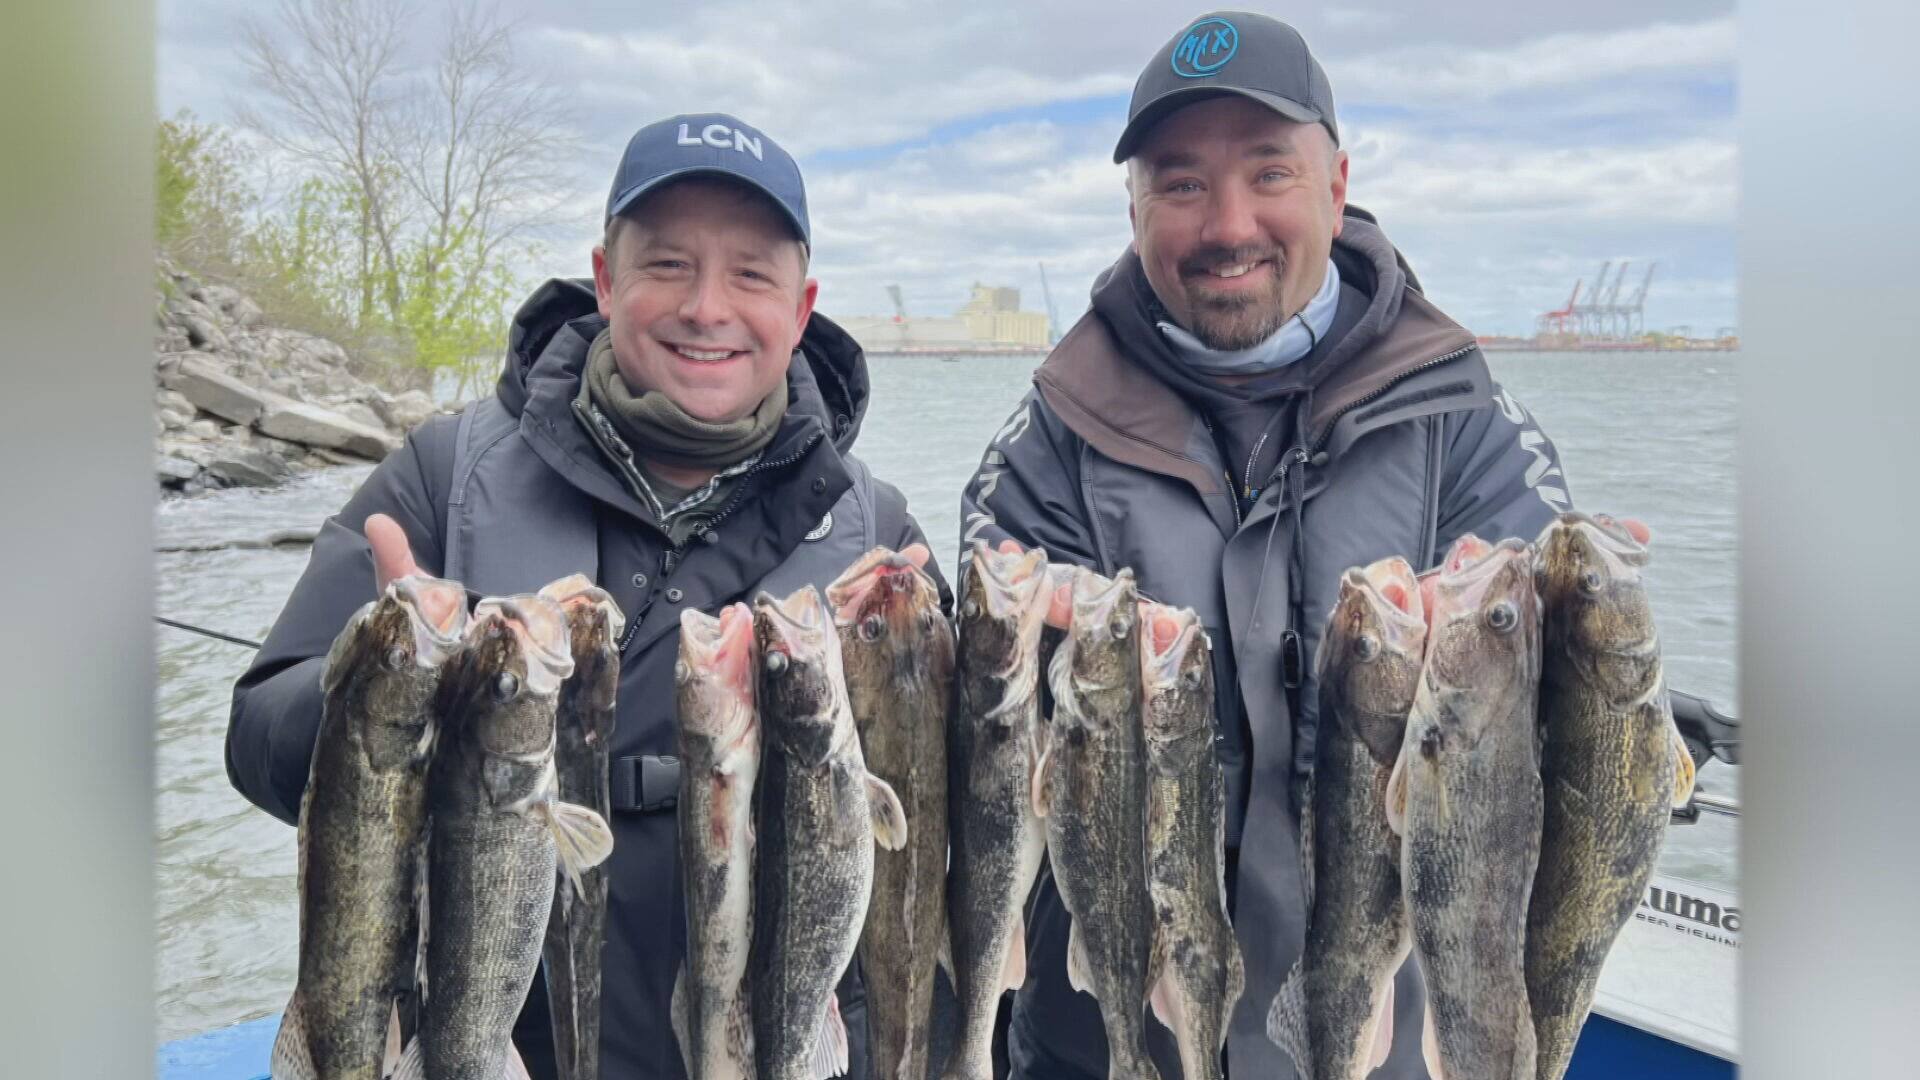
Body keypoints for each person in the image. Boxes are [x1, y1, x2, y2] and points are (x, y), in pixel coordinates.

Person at [227, 112, 940, 1080]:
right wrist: (393, 694)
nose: (707, 308)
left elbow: (961, 808)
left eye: (750, 275)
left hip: (778, 1047)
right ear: (605, 280)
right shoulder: (443, 477)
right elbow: (257, 739)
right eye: (668, 265)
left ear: (802, 307)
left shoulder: (877, 535)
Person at [960, 13, 1573, 1079]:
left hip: (1378, 1043)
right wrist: (1008, 643)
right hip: (1096, 1047)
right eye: (1183, 183)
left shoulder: (1462, 420)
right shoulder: (1047, 439)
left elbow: (1558, 670)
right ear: (1135, 208)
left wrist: (1576, 660)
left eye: (1269, 172)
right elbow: (974, 732)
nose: (1228, 223)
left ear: (1337, 185)